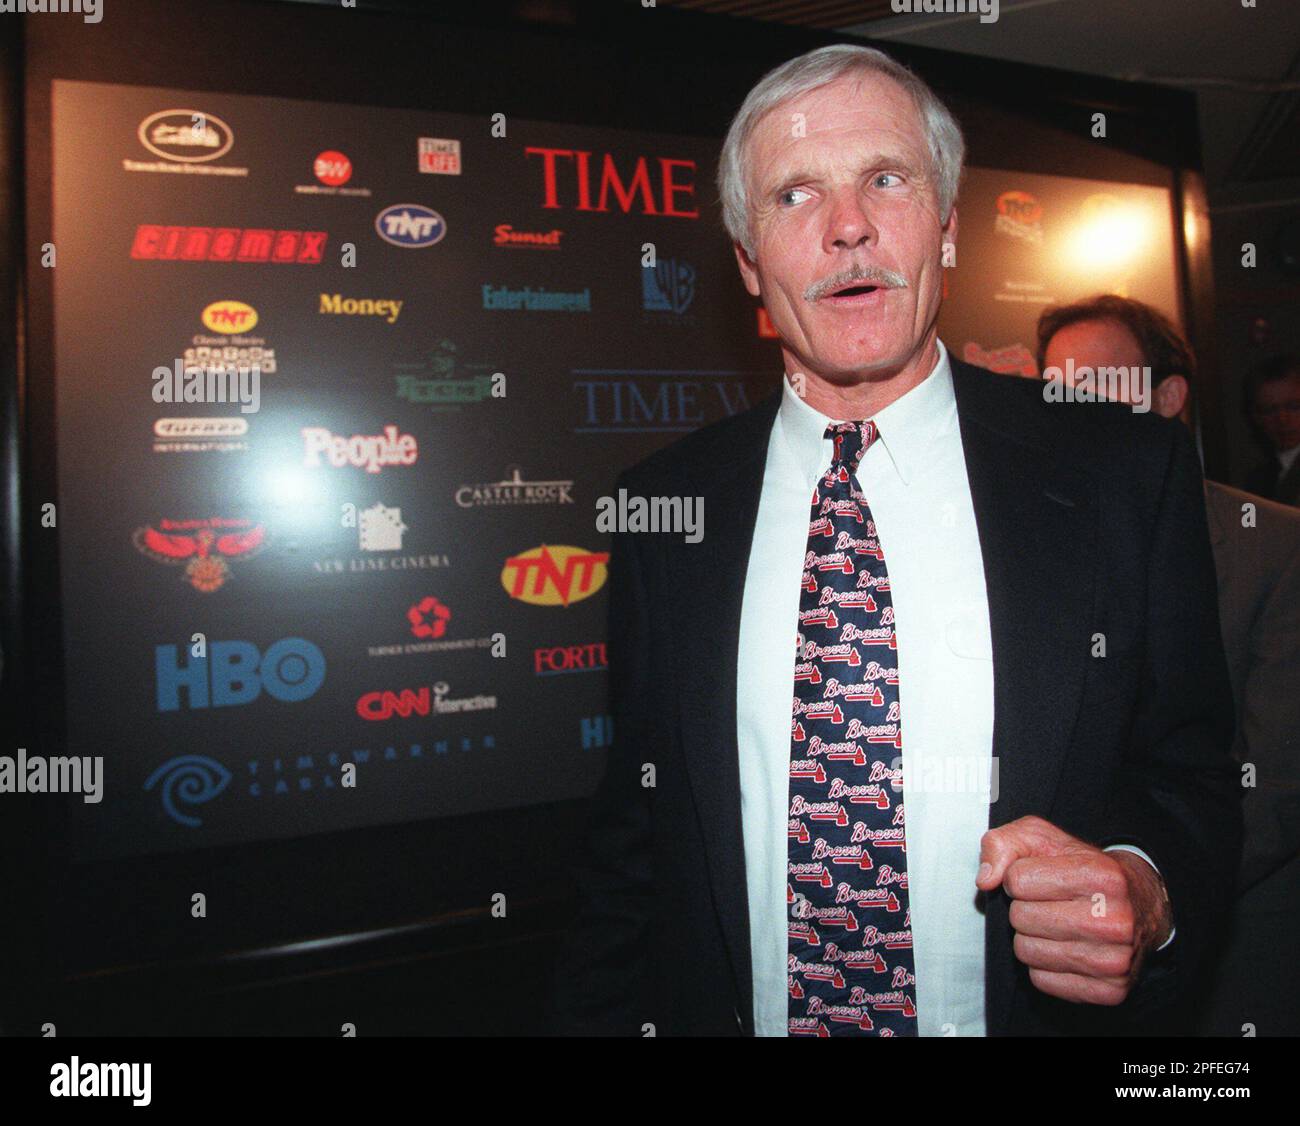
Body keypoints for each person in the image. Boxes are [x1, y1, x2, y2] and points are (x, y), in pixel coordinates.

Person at [550, 43, 1238, 1037]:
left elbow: (1191, 772)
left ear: (948, 230)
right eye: (793, 195)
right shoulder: (667, 508)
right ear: (748, 264)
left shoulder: (1123, 473)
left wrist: (1143, 884)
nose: (846, 227)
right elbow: (635, 848)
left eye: (885, 179)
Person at [1037, 295, 1300, 1036]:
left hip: (1236, 963)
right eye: (1054, 390)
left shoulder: (1277, 548)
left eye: (1096, 387)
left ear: (1170, 397)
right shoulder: (1042, 557)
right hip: (1068, 970)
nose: (1070, 410)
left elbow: (1276, 783)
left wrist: (1143, 881)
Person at [1243, 354, 1300, 507]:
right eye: (1270, 410)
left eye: (1294, 407)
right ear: (1256, 416)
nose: (1282, 420)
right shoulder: (1258, 480)